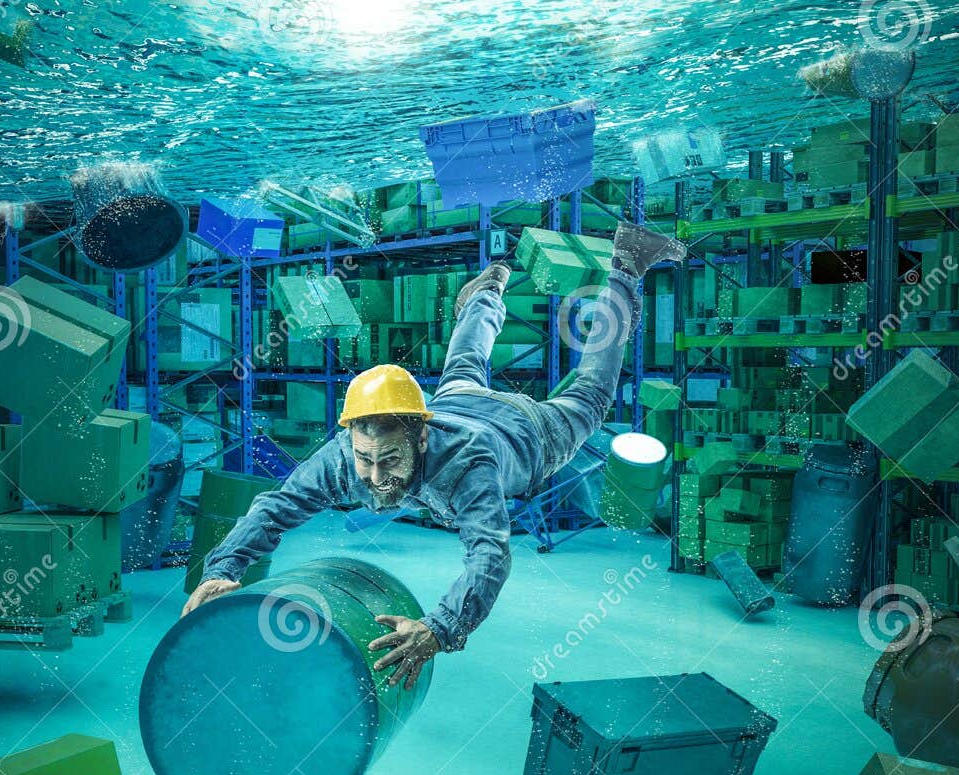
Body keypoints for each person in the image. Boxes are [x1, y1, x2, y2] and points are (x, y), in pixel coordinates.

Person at [182, 222, 687, 689]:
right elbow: (273, 508)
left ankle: (627, 266)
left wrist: (442, 628)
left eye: (390, 460)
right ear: (352, 438)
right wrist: (222, 568)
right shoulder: (347, 454)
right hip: (455, 402)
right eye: (365, 459)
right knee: (463, 365)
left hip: (530, 432)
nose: (376, 476)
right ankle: (486, 290)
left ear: (420, 438)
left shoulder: (467, 466)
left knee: (593, 397)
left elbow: (489, 554)